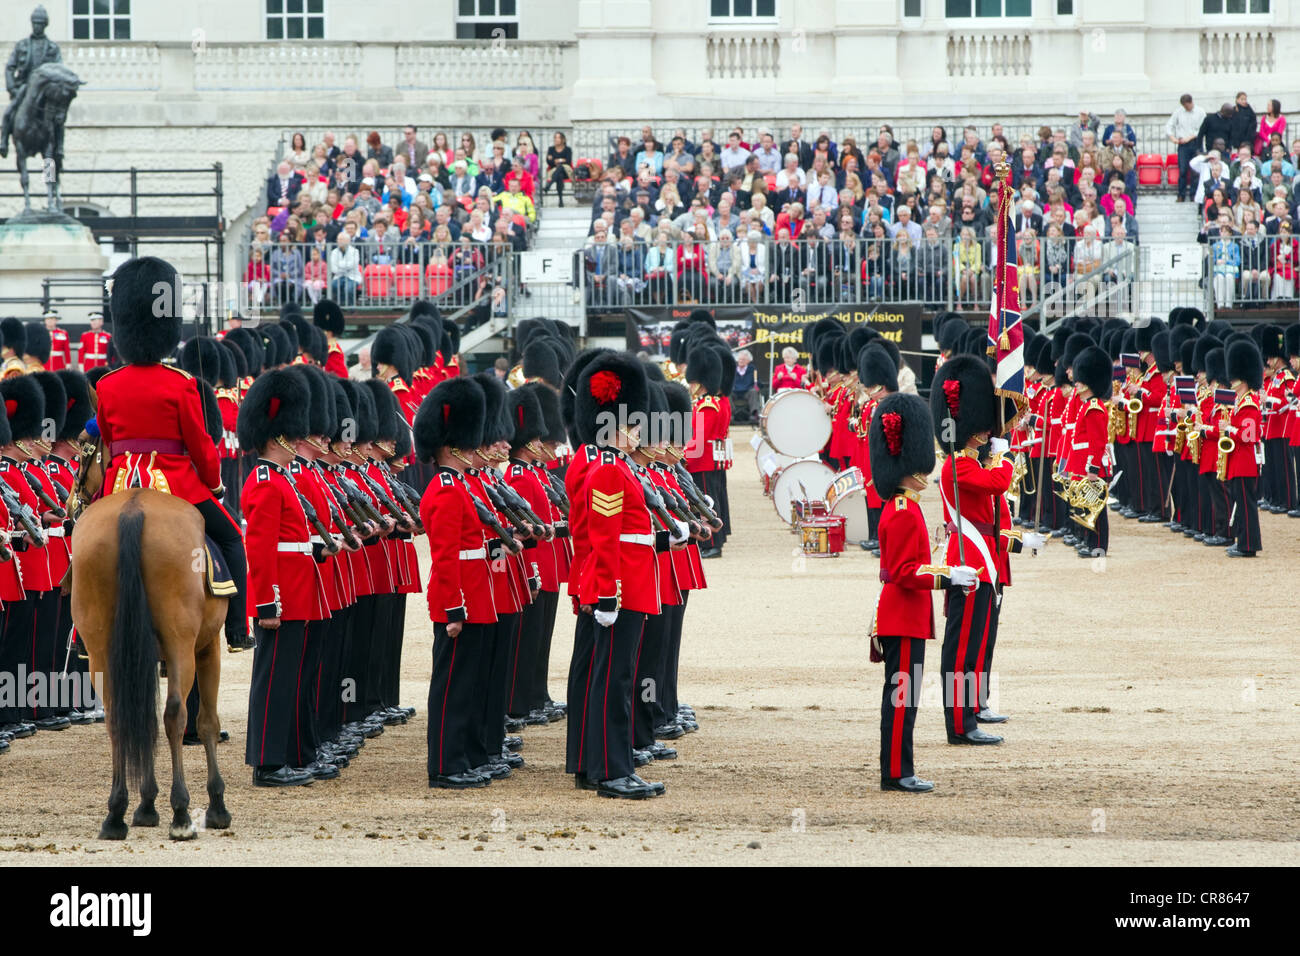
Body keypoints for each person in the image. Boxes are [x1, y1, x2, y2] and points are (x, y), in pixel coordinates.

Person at [95, 257, 251, 650]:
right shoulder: (180, 383)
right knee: (232, 540)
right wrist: (214, 485)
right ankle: (236, 629)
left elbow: (109, 441)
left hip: (119, 482)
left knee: (85, 538)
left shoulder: (109, 384)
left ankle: (81, 632)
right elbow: (200, 445)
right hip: (176, 482)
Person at [868, 392, 971, 793]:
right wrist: (949, 577)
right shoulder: (901, 512)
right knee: (901, 699)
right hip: (903, 616)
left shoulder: (904, 508)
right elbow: (905, 572)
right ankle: (896, 772)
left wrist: (943, 561)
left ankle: (898, 768)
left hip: (904, 614)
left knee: (904, 698)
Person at [1222, 340, 1264, 557]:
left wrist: (1228, 428)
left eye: (1235, 378)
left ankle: (1248, 546)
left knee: (1246, 506)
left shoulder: (1249, 404)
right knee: (1241, 504)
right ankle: (1242, 541)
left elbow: (1248, 436)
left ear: (1244, 380)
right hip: (1238, 461)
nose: (1231, 382)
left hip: (1245, 462)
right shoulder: (1240, 402)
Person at [1168, 94, 1207, 202]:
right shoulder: (1178, 112)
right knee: (1183, 170)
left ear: (1191, 102)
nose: (1186, 108)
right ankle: (1181, 194)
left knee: (1196, 170)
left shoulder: (1200, 112)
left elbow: (1201, 129)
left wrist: (1189, 137)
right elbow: (1170, 125)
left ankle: (1193, 194)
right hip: (1183, 144)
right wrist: (1172, 137)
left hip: (1196, 142)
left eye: (1187, 106)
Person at [731, 349, 761, 424]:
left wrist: (756, 386)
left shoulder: (752, 369)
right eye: (739, 359)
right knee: (727, 392)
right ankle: (730, 414)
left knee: (753, 391)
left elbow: (758, 382)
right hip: (734, 391)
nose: (741, 361)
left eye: (743, 359)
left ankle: (754, 414)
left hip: (747, 392)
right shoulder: (732, 368)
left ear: (748, 361)